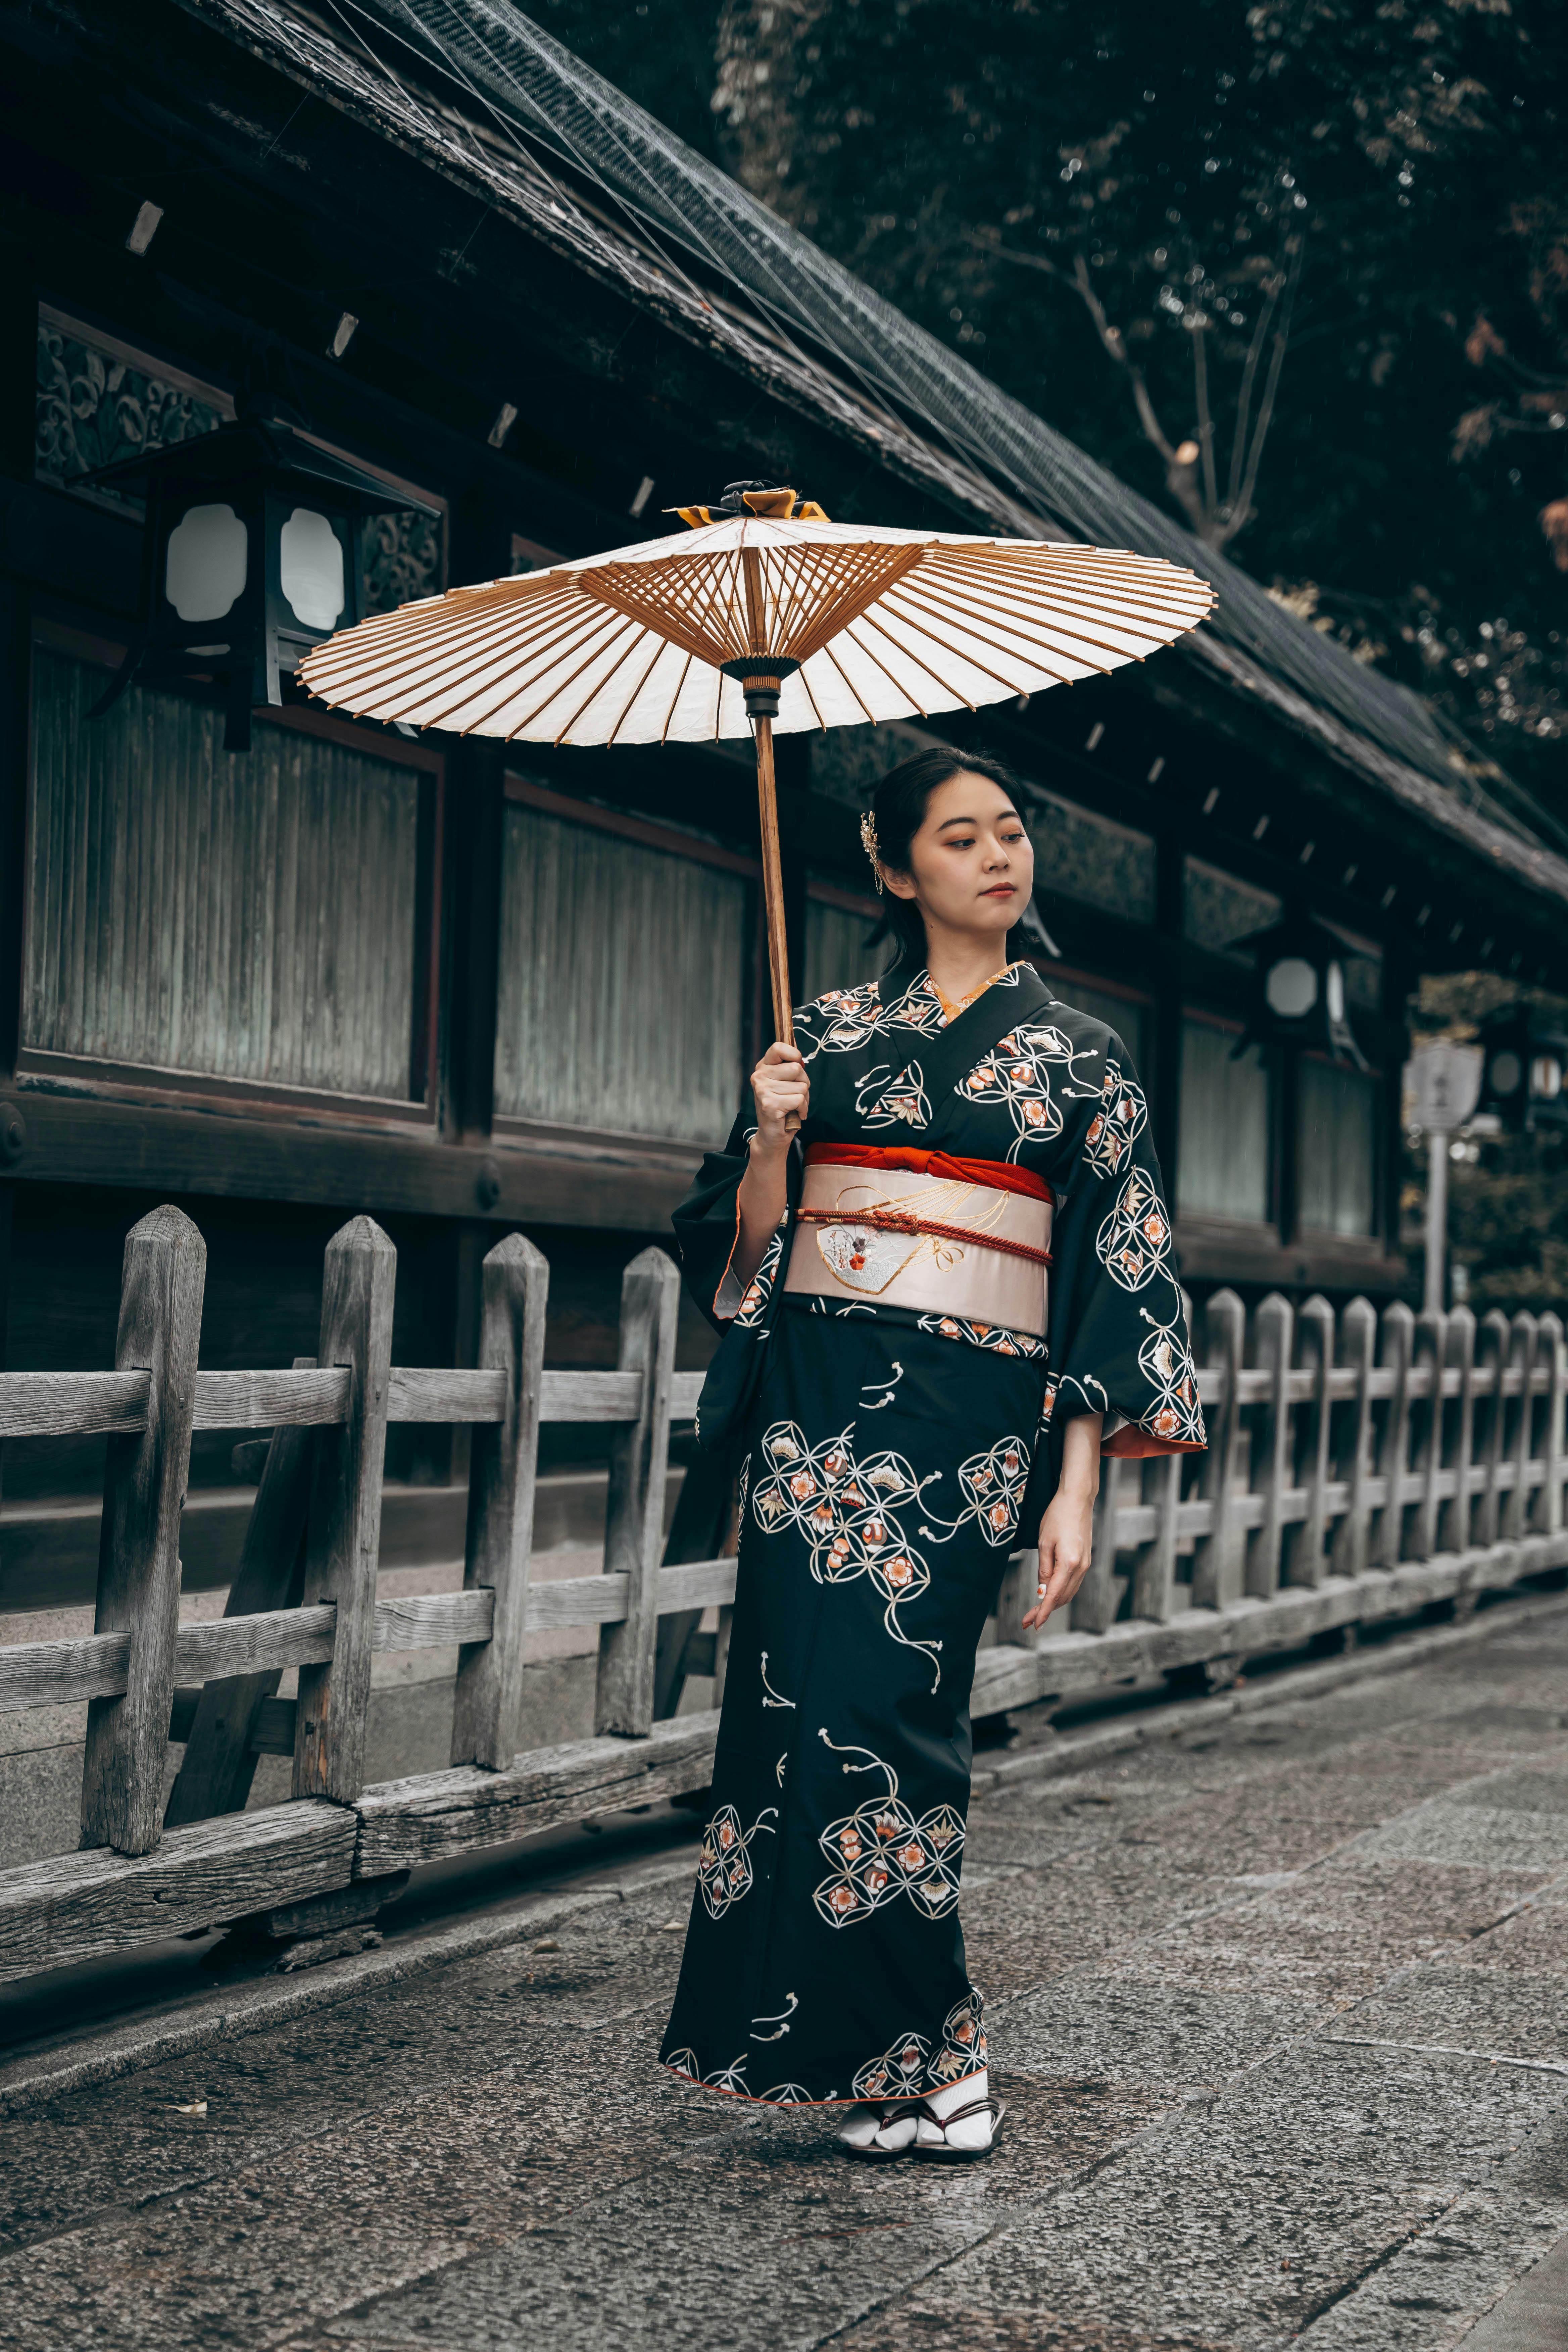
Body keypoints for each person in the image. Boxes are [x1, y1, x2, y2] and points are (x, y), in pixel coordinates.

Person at [659, 745, 1204, 2159]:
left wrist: (1077, 1479)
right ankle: (879, 2066)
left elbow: (1113, 1272)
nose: (998, 858)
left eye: (1011, 833)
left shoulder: (1083, 1056)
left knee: (894, 1720)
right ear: (894, 867)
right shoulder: (825, 1037)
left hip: (968, 1426)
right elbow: (747, 1252)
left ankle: (931, 2044)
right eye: (960, 839)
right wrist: (776, 1138)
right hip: (818, 1411)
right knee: (788, 1728)